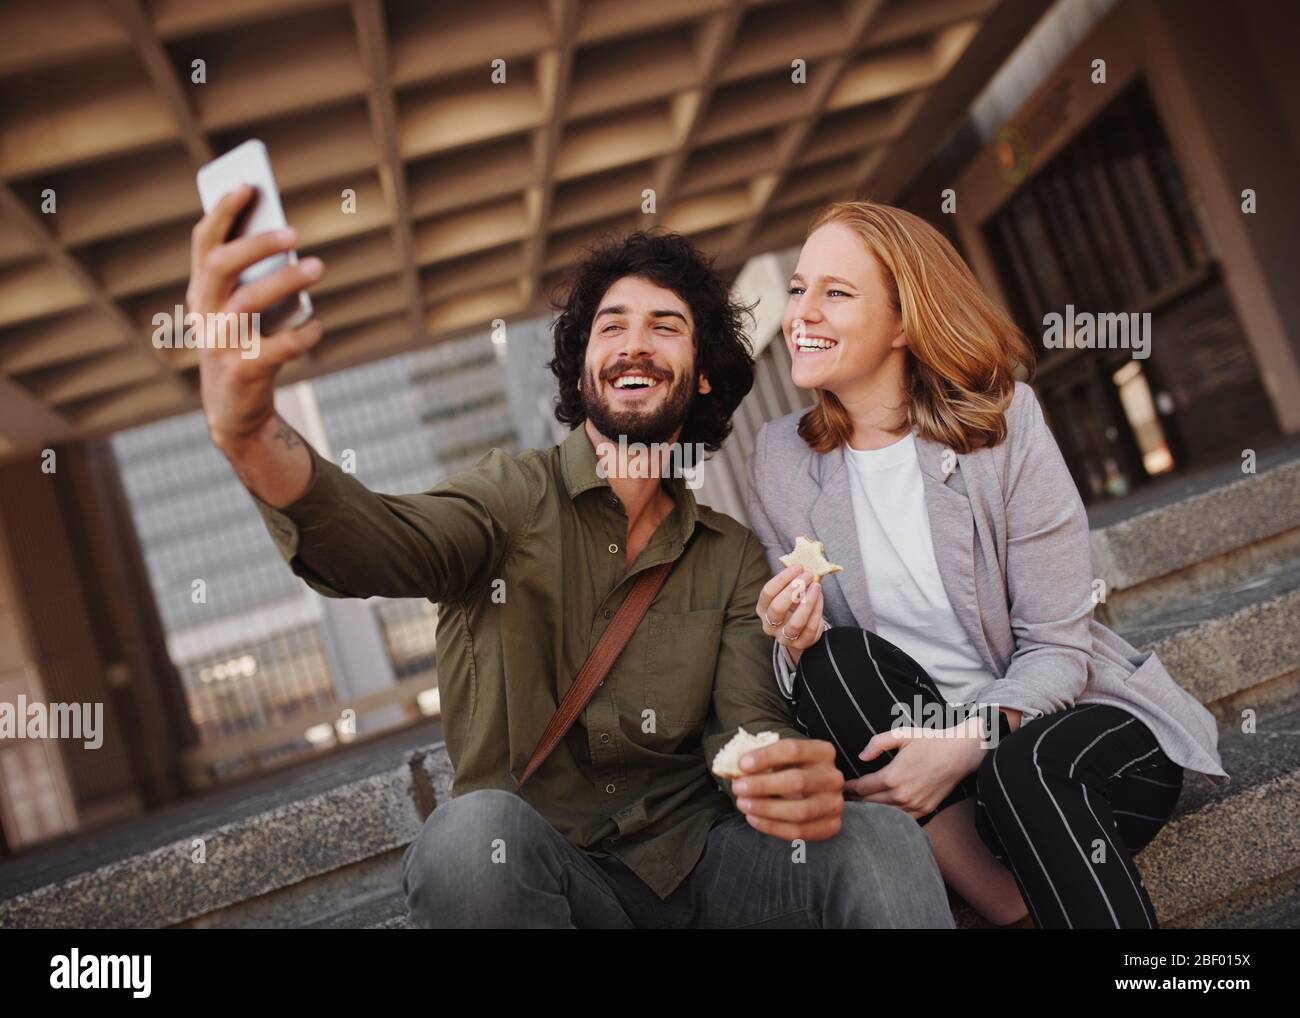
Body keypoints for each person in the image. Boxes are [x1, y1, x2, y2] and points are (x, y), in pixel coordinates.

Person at [184, 184, 956, 929]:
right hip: (547, 877)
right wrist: (251, 436)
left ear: (704, 372)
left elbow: (746, 725)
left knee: (878, 838)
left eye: (665, 326)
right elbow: (370, 545)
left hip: (707, 870)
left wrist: (784, 774)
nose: (634, 343)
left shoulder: (732, 557)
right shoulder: (507, 498)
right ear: (583, 366)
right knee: (464, 841)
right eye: (611, 326)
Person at [747, 199, 1230, 929]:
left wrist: (969, 738)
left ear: (905, 322)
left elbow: (1059, 650)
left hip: (1061, 727)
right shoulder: (780, 457)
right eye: (798, 289)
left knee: (1021, 769)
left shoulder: (1006, 425)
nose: (801, 313)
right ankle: (1007, 903)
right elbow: (821, 673)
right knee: (829, 661)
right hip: (926, 775)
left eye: (835, 293)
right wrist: (787, 635)